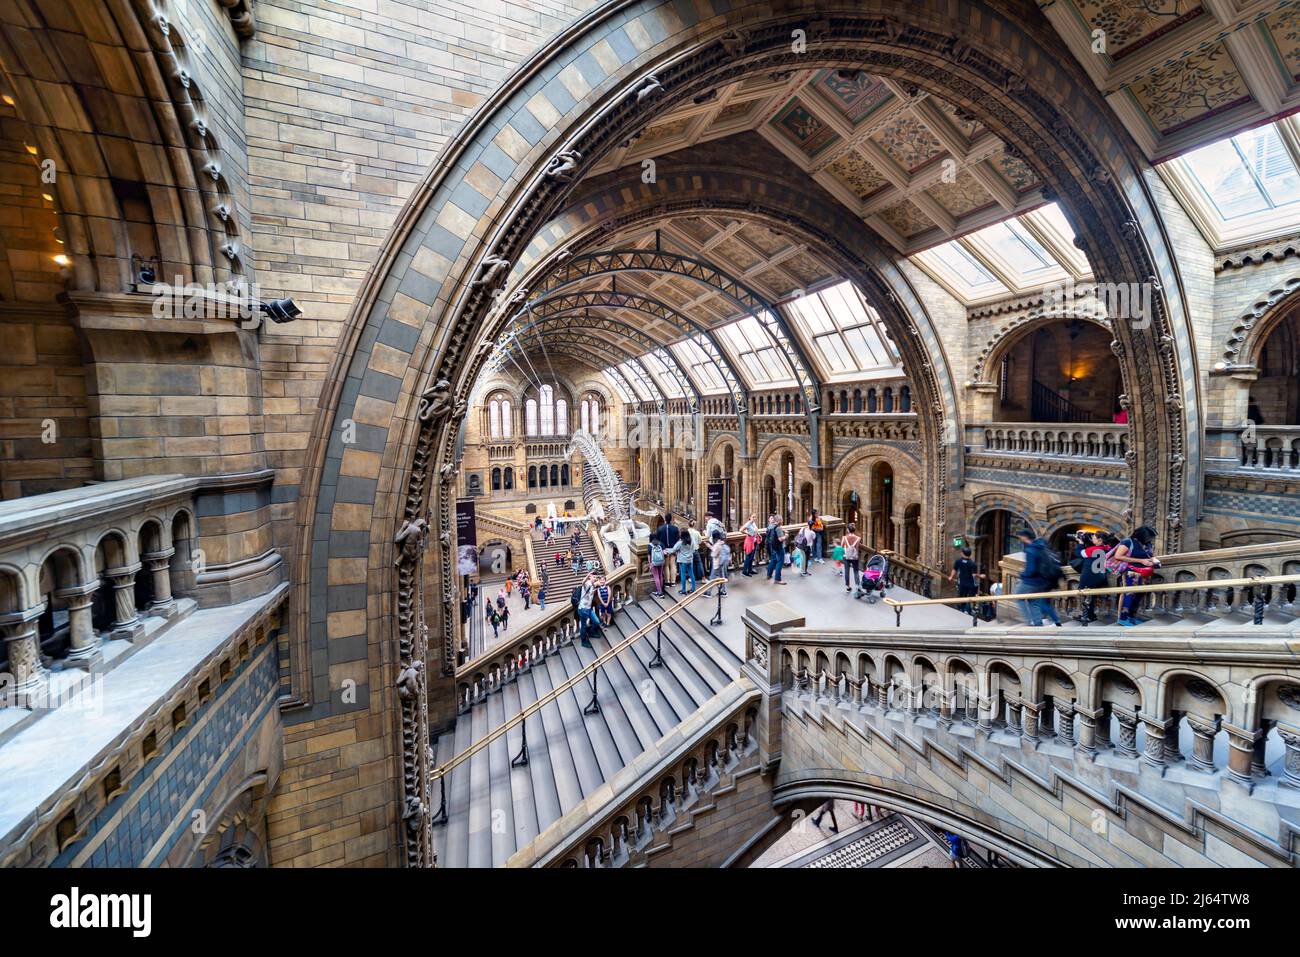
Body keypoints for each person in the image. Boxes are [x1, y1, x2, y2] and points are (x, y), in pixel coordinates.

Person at [1111, 525, 1159, 627]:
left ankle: (1131, 617)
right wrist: (1141, 561)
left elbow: (1150, 556)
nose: (1151, 539)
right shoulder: (1128, 541)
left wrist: (1154, 561)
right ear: (1142, 535)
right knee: (1129, 594)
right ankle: (1123, 618)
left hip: (1144, 573)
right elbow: (1118, 556)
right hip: (1131, 572)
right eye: (1150, 536)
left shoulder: (1147, 544)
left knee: (1139, 595)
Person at [1014, 528, 1063, 627]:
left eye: (1020, 537)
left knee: (1018, 597)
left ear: (1024, 537)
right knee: (1034, 601)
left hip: (1031, 581)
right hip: (1042, 581)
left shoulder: (1031, 550)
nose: (1020, 539)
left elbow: (1031, 570)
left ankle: (1029, 621)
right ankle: (1037, 622)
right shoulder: (1041, 544)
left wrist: (1022, 575)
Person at [1074, 530, 1112, 624]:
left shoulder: (1092, 549)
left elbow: (1079, 553)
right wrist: (1087, 532)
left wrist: (1080, 543)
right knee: (1091, 596)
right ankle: (1090, 615)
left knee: (1085, 595)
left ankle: (1088, 617)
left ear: (1099, 540)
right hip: (1100, 575)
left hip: (1090, 575)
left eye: (1094, 537)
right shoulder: (1106, 547)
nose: (1092, 538)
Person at [651, 513, 682, 597]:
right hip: (673, 549)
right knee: (673, 565)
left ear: (665, 519)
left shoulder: (660, 528)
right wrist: (675, 549)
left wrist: (663, 548)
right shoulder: (675, 528)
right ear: (671, 519)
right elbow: (678, 539)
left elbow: (657, 540)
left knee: (666, 566)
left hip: (664, 550)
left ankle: (667, 582)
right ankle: (673, 582)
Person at [949, 547, 980, 615]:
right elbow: (974, 575)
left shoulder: (958, 561)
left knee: (962, 596)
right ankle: (967, 610)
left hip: (962, 582)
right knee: (970, 597)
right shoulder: (972, 564)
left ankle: (962, 609)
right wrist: (980, 576)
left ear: (963, 553)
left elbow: (954, 569)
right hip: (971, 584)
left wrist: (951, 577)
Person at [704, 529, 731, 598]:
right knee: (722, 578)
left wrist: (709, 547)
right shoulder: (722, 542)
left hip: (717, 564)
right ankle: (723, 591)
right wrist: (710, 547)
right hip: (723, 563)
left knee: (712, 578)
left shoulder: (717, 544)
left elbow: (714, 554)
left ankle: (708, 592)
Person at [764, 514, 787, 585]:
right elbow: (780, 539)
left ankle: (768, 575)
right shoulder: (778, 528)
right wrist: (786, 535)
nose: (783, 520)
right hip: (779, 547)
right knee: (780, 562)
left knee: (773, 560)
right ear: (779, 520)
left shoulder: (770, 526)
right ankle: (777, 579)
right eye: (782, 519)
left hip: (772, 546)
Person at [679, 518, 700, 595]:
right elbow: (694, 547)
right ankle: (693, 588)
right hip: (690, 559)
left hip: (683, 560)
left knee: (683, 574)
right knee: (691, 574)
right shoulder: (691, 541)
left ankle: (683, 590)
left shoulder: (681, 542)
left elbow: (674, 549)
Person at [841, 523, 861, 593]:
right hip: (855, 556)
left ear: (848, 530)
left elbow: (842, 546)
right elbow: (857, 548)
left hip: (846, 556)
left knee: (847, 571)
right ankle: (857, 586)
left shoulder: (844, 537)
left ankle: (848, 587)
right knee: (856, 571)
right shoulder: (858, 538)